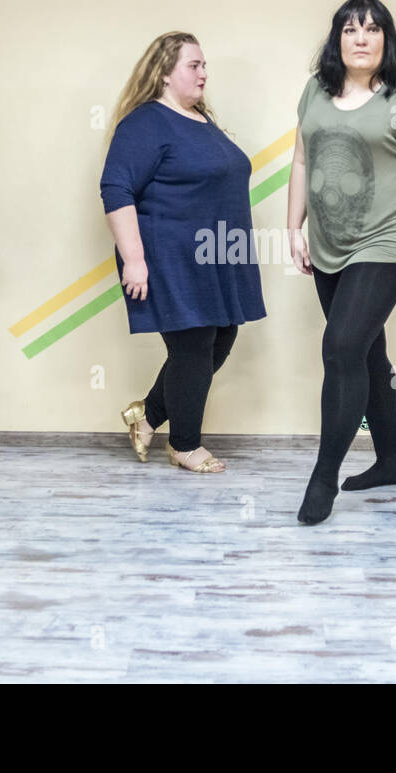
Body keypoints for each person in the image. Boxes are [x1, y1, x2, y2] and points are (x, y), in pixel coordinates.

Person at [287, 0, 396, 525]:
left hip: (383, 242)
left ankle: (323, 477)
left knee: (340, 346)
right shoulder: (315, 91)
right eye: (351, 29)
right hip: (331, 244)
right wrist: (294, 226)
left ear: (387, 39)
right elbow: (303, 159)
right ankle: (392, 460)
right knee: (368, 356)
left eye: (373, 29)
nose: (362, 38)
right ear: (337, 39)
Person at [101, 31, 265, 473]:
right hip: (169, 256)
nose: (204, 73)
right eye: (194, 65)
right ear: (164, 73)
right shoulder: (145, 123)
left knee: (220, 339)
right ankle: (185, 444)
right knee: (193, 346)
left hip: (216, 255)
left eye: (204, 65)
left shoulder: (200, 120)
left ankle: (147, 415)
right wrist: (134, 259)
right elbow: (116, 189)